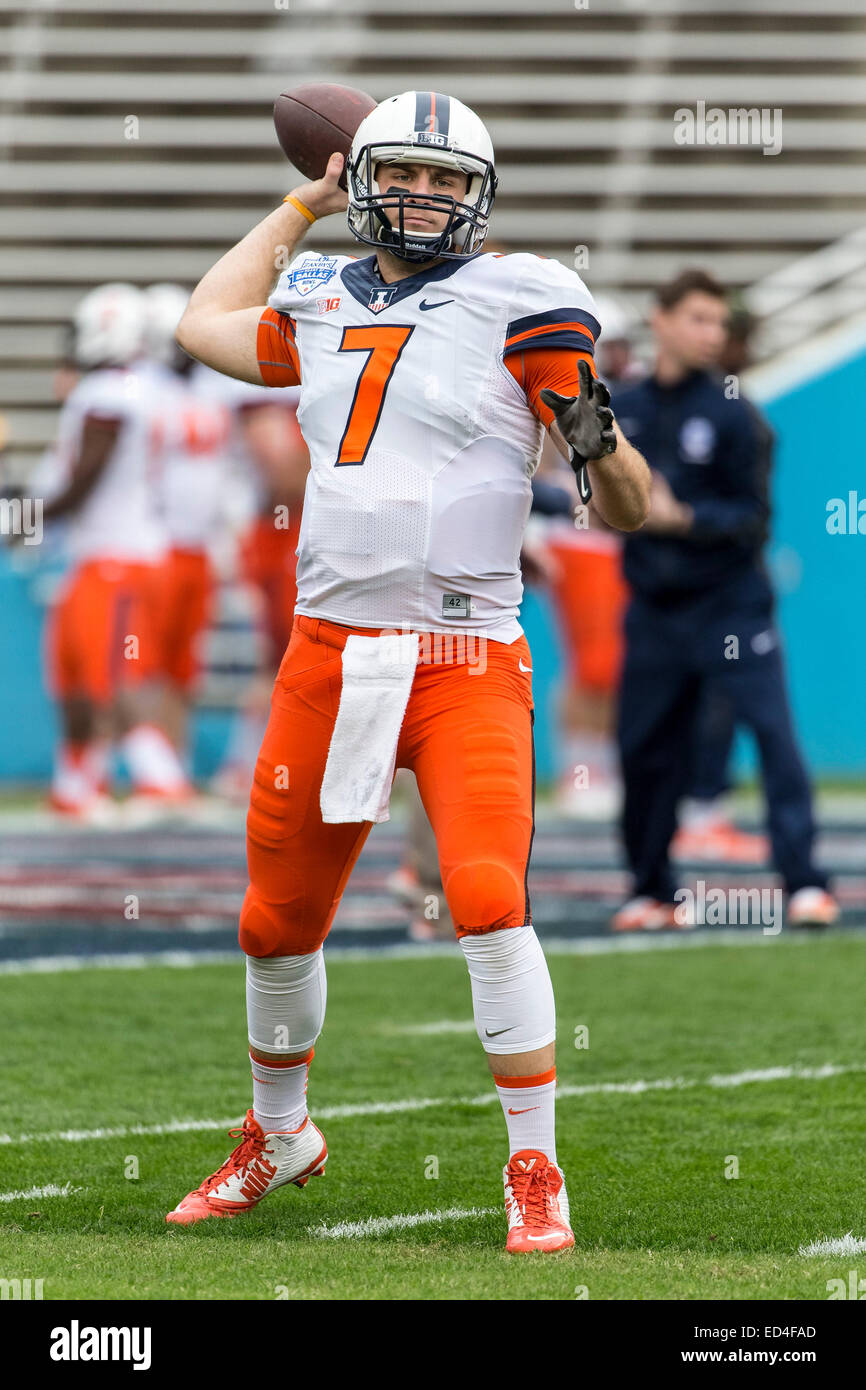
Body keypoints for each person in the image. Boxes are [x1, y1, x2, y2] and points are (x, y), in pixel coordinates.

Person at [163, 90, 650, 1251]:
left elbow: (624, 507)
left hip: (464, 653)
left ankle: (533, 1163)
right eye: (406, 175)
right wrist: (300, 202)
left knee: (484, 896)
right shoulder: (322, 294)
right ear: (365, 178)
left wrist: (596, 440)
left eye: (448, 180)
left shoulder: (521, 299)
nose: (426, 196)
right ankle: (279, 1133)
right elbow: (202, 324)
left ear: (477, 198)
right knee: (274, 923)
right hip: (328, 653)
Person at [610, 269, 837, 932]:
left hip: (731, 605)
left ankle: (805, 884)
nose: (713, 335)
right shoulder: (624, 408)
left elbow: (754, 518)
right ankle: (651, 891)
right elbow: (597, 497)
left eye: (719, 323)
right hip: (654, 608)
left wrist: (686, 521)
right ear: (661, 319)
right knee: (645, 749)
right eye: (699, 319)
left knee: (774, 736)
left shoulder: (736, 412)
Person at [38, 284, 191, 817]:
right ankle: (77, 787)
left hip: (120, 556)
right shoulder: (141, 388)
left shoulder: (109, 393)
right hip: (106, 552)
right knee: (76, 673)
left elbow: (84, 480)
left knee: (115, 674)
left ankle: (161, 780)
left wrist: (23, 517)